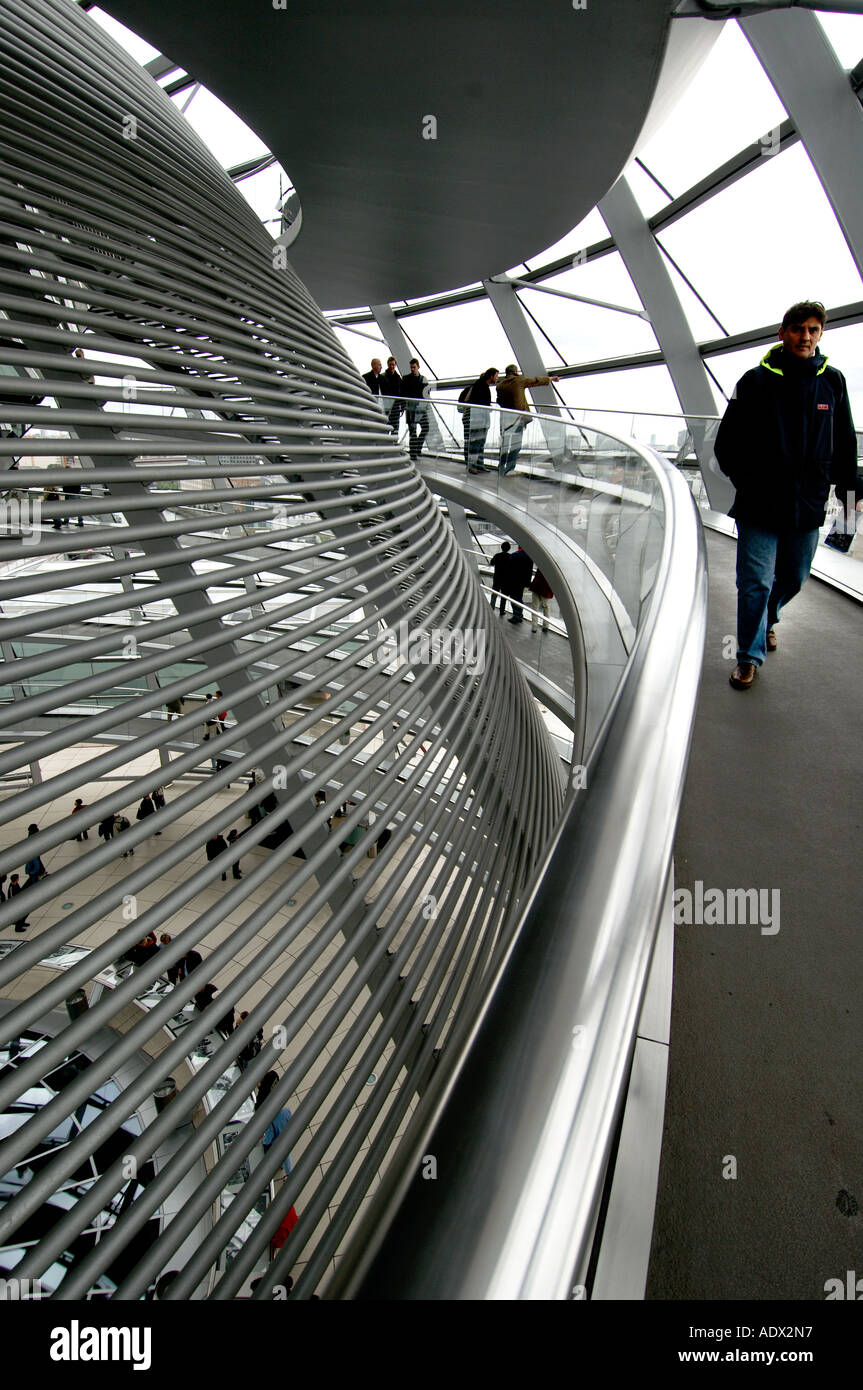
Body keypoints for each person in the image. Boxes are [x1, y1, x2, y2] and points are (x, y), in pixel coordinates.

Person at [714, 300, 861, 690]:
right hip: (759, 505)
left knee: (794, 577)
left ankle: (768, 620)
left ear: (820, 335)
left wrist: (849, 495)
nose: (805, 336)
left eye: (813, 330)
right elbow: (726, 443)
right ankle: (748, 657)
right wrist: (747, 482)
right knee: (755, 582)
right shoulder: (754, 380)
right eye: (798, 329)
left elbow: (845, 442)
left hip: (807, 505)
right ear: (783, 333)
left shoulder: (834, 382)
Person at [496, 364, 560, 475]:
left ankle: (501, 467)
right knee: (516, 445)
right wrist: (551, 378)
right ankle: (509, 469)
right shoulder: (518, 380)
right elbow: (535, 381)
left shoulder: (500, 385)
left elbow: (499, 401)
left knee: (505, 444)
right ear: (515, 371)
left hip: (505, 419)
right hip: (517, 418)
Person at [256, 1070, 294, 1179]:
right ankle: (285, 1169)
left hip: (279, 1141)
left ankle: (288, 1172)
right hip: (287, 1135)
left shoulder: (270, 1123)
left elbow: (268, 1139)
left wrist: (262, 1141)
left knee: (284, 1156)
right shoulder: (285, 1112)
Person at [463, 368, 499, 474]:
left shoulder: (483, 386)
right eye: (496, 376)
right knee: (476, 443)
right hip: (477, 419)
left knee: (480, 443)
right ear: (491, 376)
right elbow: (478, 403)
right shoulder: (480, 385)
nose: (497, 378)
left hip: (481, 418)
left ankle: (479, 465)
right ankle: (473, 466)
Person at [401, 358, 430, 460]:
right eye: (411, 367)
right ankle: (414, 452)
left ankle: (416, 448)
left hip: (420, 408)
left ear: (418, 367)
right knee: (413, 430)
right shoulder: (406, 379)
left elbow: (427, 394)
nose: (412, 369)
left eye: (414, 367)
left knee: (425, 427)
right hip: (411, 408)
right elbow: (403, 393)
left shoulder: (423, 379)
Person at [506, 546, 533, 624]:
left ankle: (516, 616)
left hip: (514, 581)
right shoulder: (529, 556)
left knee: (514, 598)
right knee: (519, 598)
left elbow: (509, 569)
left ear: (519, 547)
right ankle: (519, 615)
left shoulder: (515, 555)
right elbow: (529, 571)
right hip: (523, 582)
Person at [380, 356, 403, 434]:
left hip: (395, 405)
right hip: (386, 404)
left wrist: (402, 406)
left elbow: (401, 393)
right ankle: (387, 442)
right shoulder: (383, 376)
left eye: (393, 365)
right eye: (390, 364)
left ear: (395, 365)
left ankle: (393, 441)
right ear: (388, 365)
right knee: (386, 424)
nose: (392, 366)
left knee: (395, 425)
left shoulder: (398, 378)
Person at [489, 540, 512, 614]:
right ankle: (502, 610)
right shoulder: (510, 557)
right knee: (504, 595)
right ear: (509, 548)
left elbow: (492, 563)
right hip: (506, 579)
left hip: (497, 577)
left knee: (494, 593)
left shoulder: (497, 555)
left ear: (501, 547)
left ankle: (491, 607)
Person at [529, 569, 554, 634]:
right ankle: (546, 626)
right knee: (546, 608)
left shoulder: (541, 566)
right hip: (546, 590)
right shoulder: (552, 569)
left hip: (536, 587)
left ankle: (534, 627)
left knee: (535, 608)